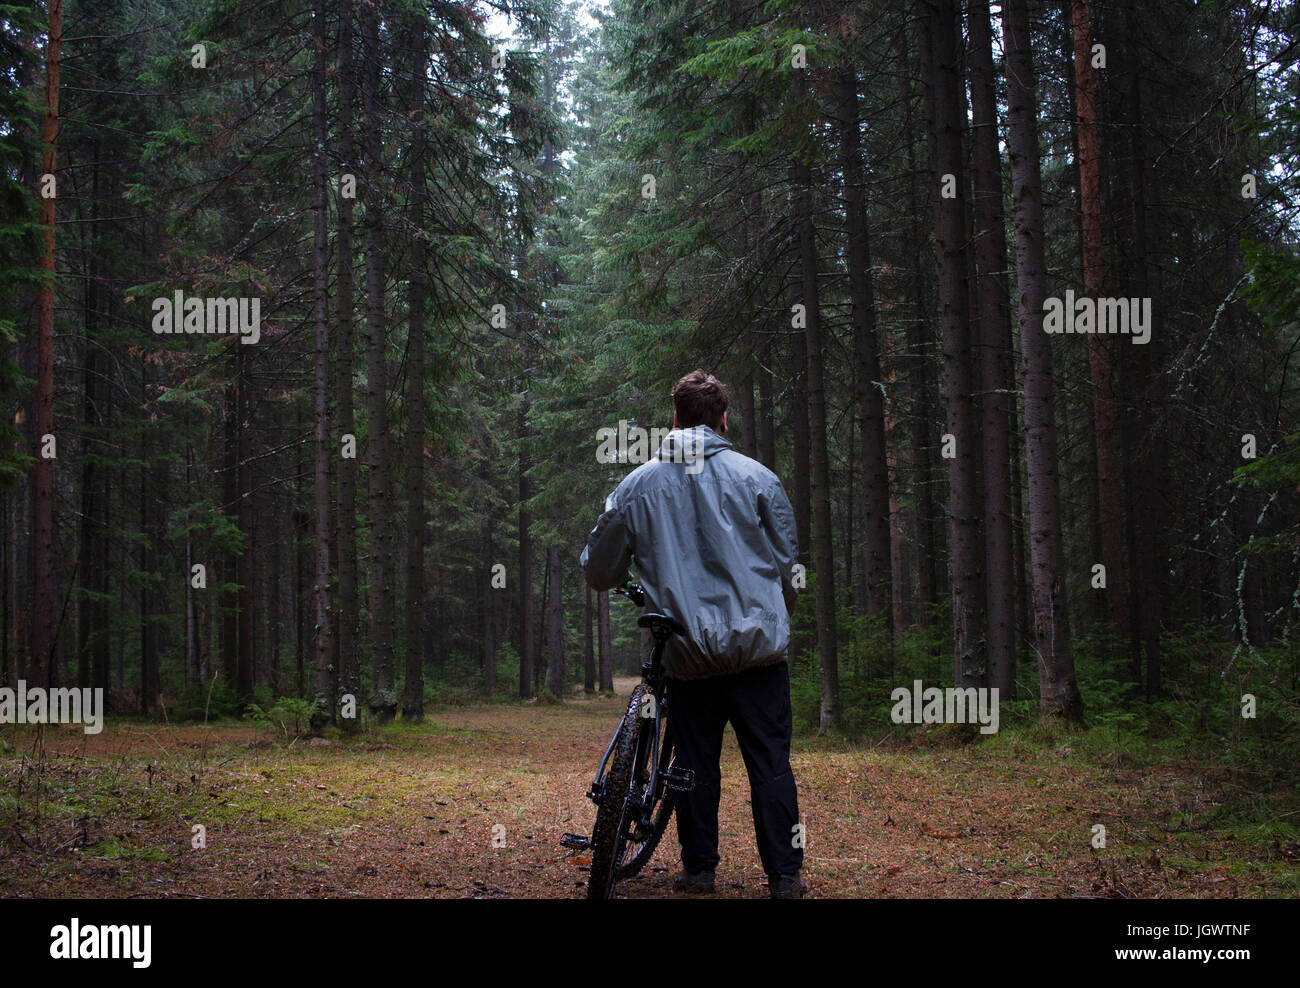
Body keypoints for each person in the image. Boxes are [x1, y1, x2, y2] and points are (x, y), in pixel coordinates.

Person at [579, 370, 807, 899]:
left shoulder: (636, 486)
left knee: (693, 763)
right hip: (757, 654)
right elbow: (786, 567)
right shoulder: (758, 479)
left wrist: (621, 578)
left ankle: (700, 871)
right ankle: (784, 877)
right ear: (723, 421)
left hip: (686, 653)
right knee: (770, 764)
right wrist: (772, 613)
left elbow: (599, 569)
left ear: (675, 420)